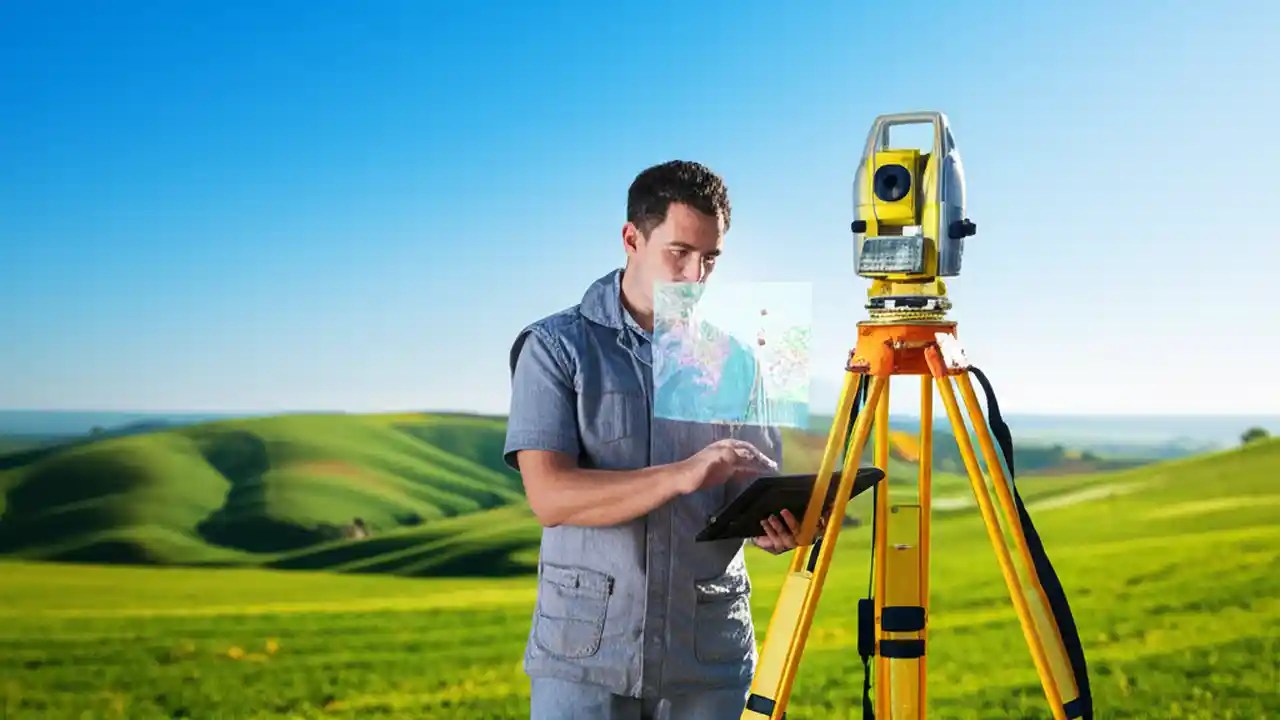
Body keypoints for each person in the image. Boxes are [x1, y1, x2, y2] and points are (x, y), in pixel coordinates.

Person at [503, 160, 811, 719]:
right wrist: (682, 474)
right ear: (632, 238)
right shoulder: (555, 348)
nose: (696, 276)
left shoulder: (738, 361)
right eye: (680, 252)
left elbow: (752, 495)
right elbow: (550, 497)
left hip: (708, 660)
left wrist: (777, 525)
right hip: (584, 661)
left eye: (711, 258)